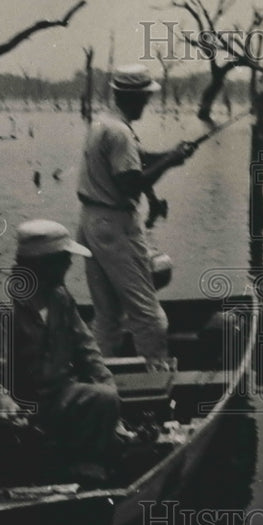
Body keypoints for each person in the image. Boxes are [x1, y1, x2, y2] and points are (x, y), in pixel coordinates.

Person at [0, 220, 133, 480]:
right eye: (64, 259)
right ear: (43, 264)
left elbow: (88, 351)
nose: (69, 265)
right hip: (22, 406)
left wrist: (112, 394)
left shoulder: (60, 297)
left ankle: (82, 465)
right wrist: (3, 402)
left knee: (105, 398)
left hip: (58, 397)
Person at [76, 63, 195, 366]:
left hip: (90, 222)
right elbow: (131, 185)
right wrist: (169, 163)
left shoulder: (103, 122)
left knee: (106, 315)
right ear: (135, 97)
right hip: (115, 225)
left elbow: (134, 161)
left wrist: (171, 154)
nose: (147, 102)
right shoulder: (120, 133)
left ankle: (103, 380)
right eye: (145, 97)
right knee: (149, 316)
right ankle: (156, 383)